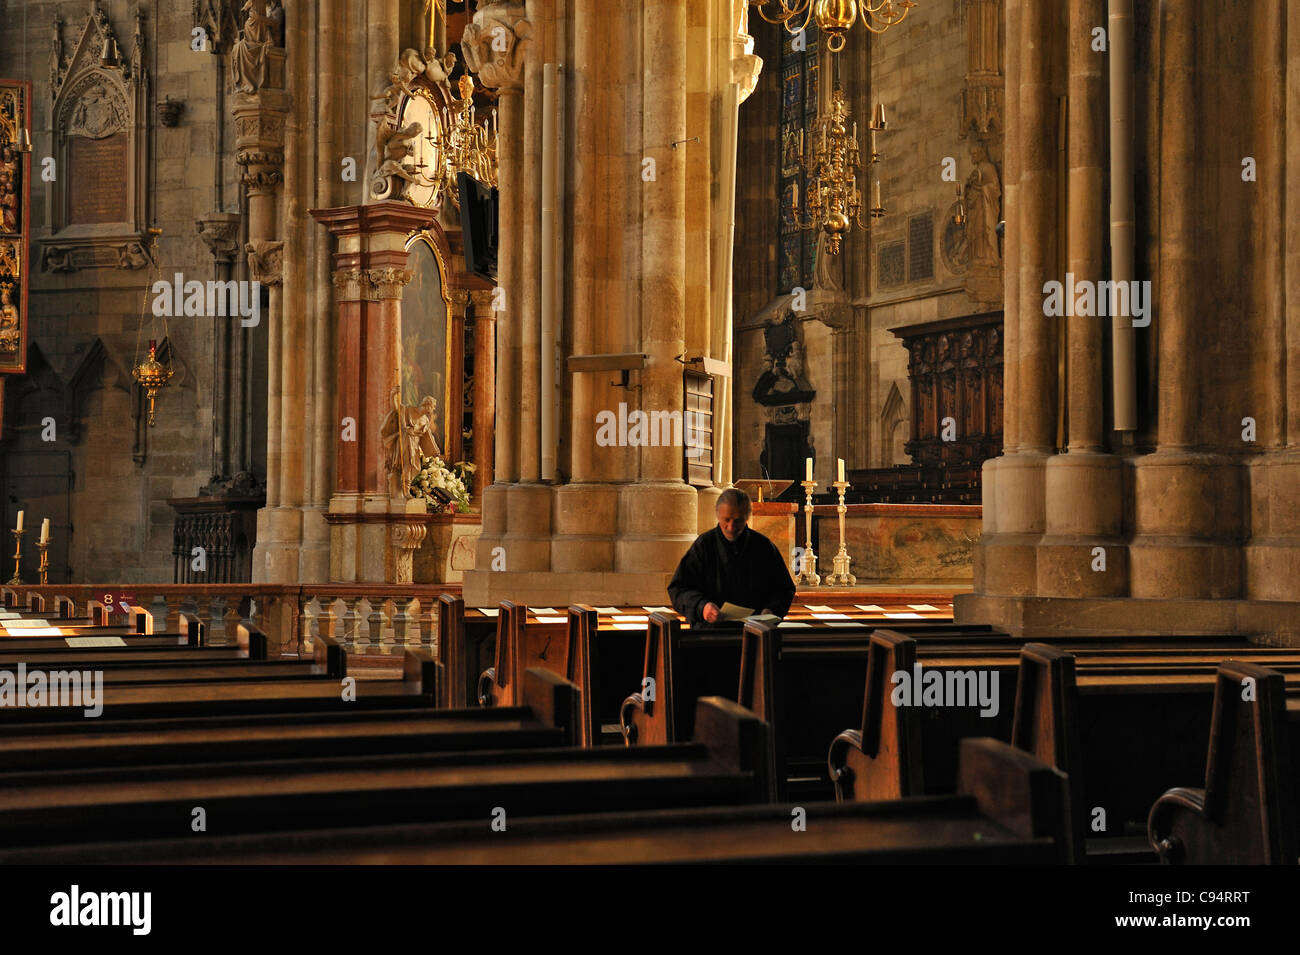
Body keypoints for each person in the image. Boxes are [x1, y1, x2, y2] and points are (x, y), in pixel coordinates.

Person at [668, 488, 796, 627]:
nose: (731, 527)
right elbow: (678, 589)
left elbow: (784, 589)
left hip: (755, 631)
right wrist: (702, 607)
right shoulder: (704, 545)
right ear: (718, 514)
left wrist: (772, 609)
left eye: (738, 521)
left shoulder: (763, 547)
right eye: (726, 519)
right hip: (709, 634)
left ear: (747, 517)